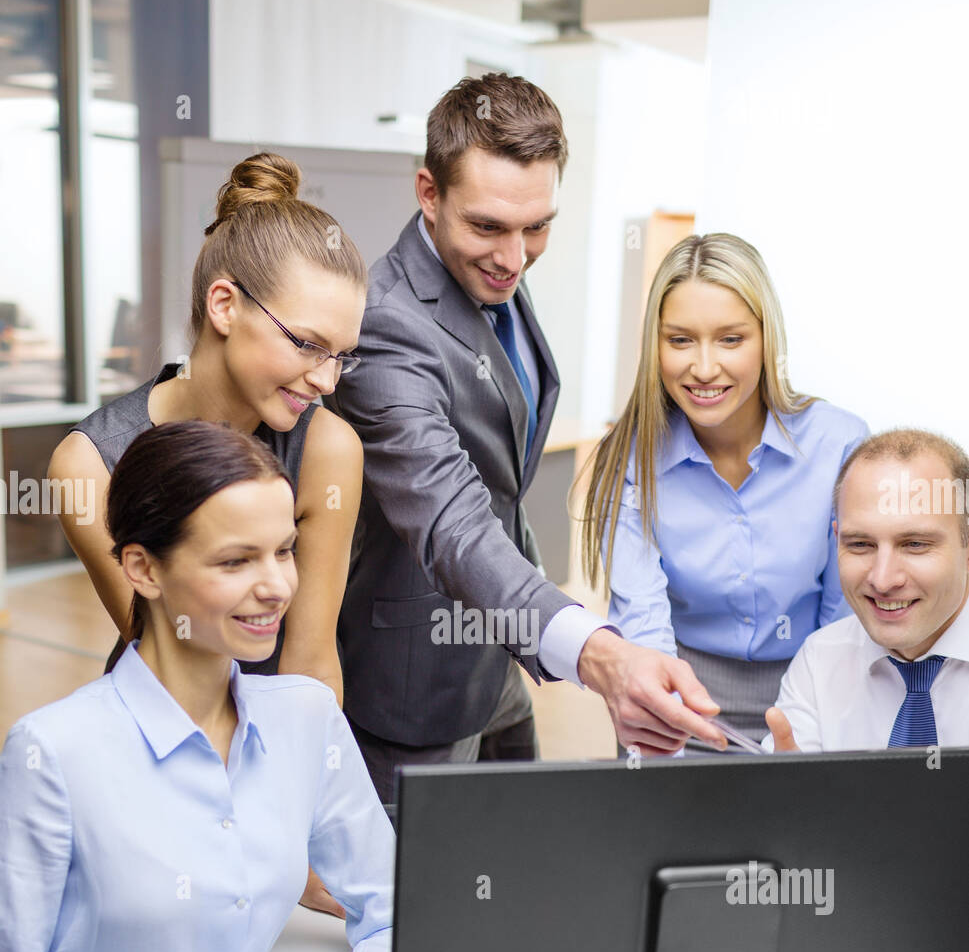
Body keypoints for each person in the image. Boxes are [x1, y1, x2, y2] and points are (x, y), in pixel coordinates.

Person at [0, 422, 393, 952]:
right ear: (142, 569)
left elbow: (401, 910)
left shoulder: (304, 720)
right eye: (235, 561)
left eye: (284, 550)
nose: (275, 585)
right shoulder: (52, 756)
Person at [332, 72, 726, 804]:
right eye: (487, 227)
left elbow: (500, 482)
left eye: (536, 227)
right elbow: (451, 521)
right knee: (411, 876)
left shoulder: (494, 271)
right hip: (415, 679)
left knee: (512, 852)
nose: (514, 258)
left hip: (501, 655)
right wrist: (599, 656)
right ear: (428, 193)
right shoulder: (385, 323)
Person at [49, 149, 366, 916]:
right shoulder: (89, 465)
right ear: (225, 305)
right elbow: (170, 659)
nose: (325, 379)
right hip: (159, 757)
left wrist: (304, 828)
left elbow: (311, 665)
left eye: (341, 357)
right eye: (306, 344)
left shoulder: (327, 448)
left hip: (279, 766)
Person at [582, 233, 869, 743]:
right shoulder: (629, 458)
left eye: (731, 339)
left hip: (814, 698)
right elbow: (644, 624)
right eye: (680, 340)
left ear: (767, 339)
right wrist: (669, 738)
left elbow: (842, 624)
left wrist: (808, 741)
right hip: (674, 698)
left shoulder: (839, 445)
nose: (704, 367)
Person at [764, 429, 969, 752]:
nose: (883, 580)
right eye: (860, 544)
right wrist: (785, 782)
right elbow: (790, 777)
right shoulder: (820, 660)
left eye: (915, 544)